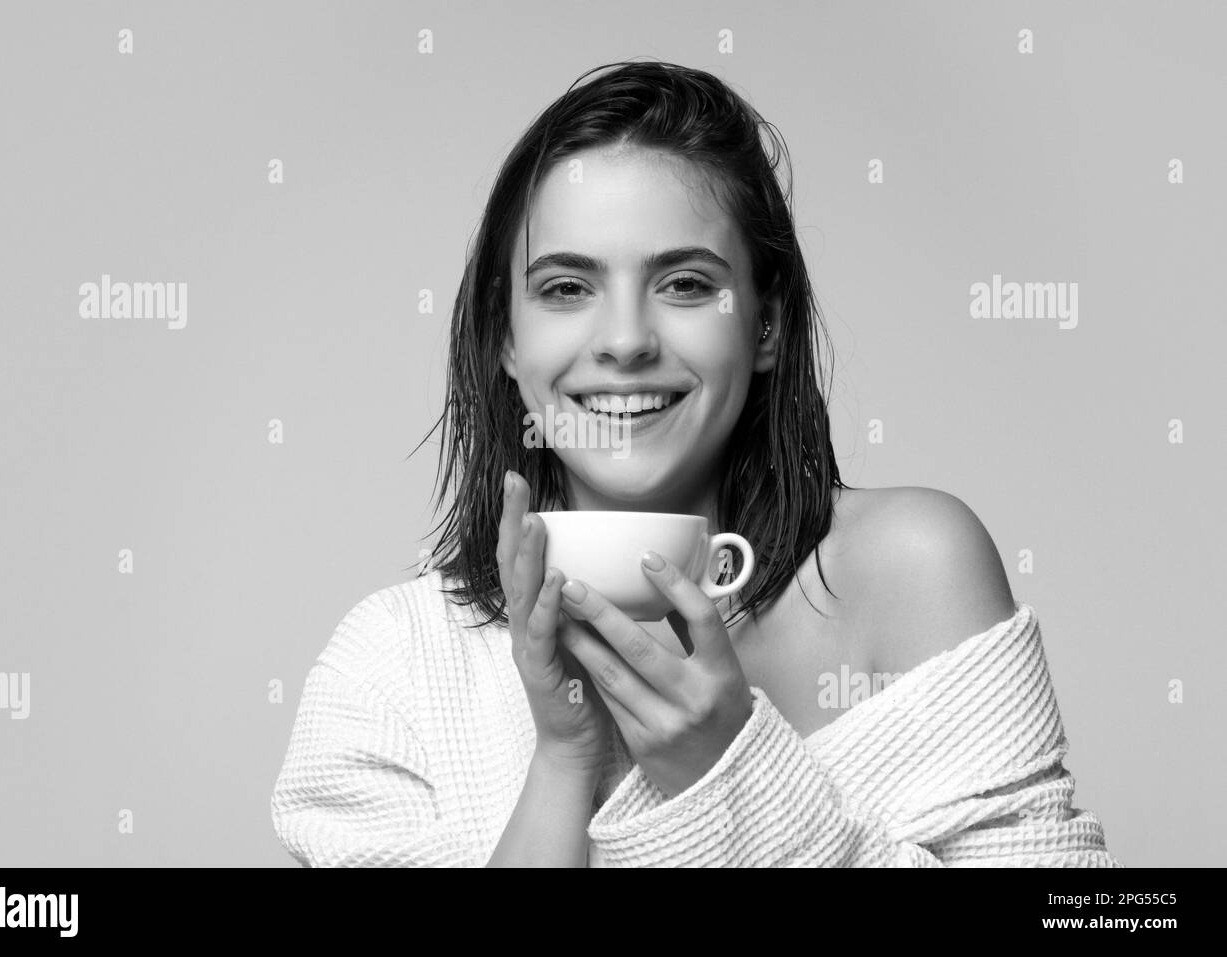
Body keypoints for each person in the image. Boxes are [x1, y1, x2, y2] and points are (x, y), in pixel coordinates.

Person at [271, 60, 1120, 867]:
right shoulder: (394, 661)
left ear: (765, 325)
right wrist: (564, 757)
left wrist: (726, 771)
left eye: (683, 284)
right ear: (505, 337)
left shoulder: (909, 567)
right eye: (566, 288)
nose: (625, 341)